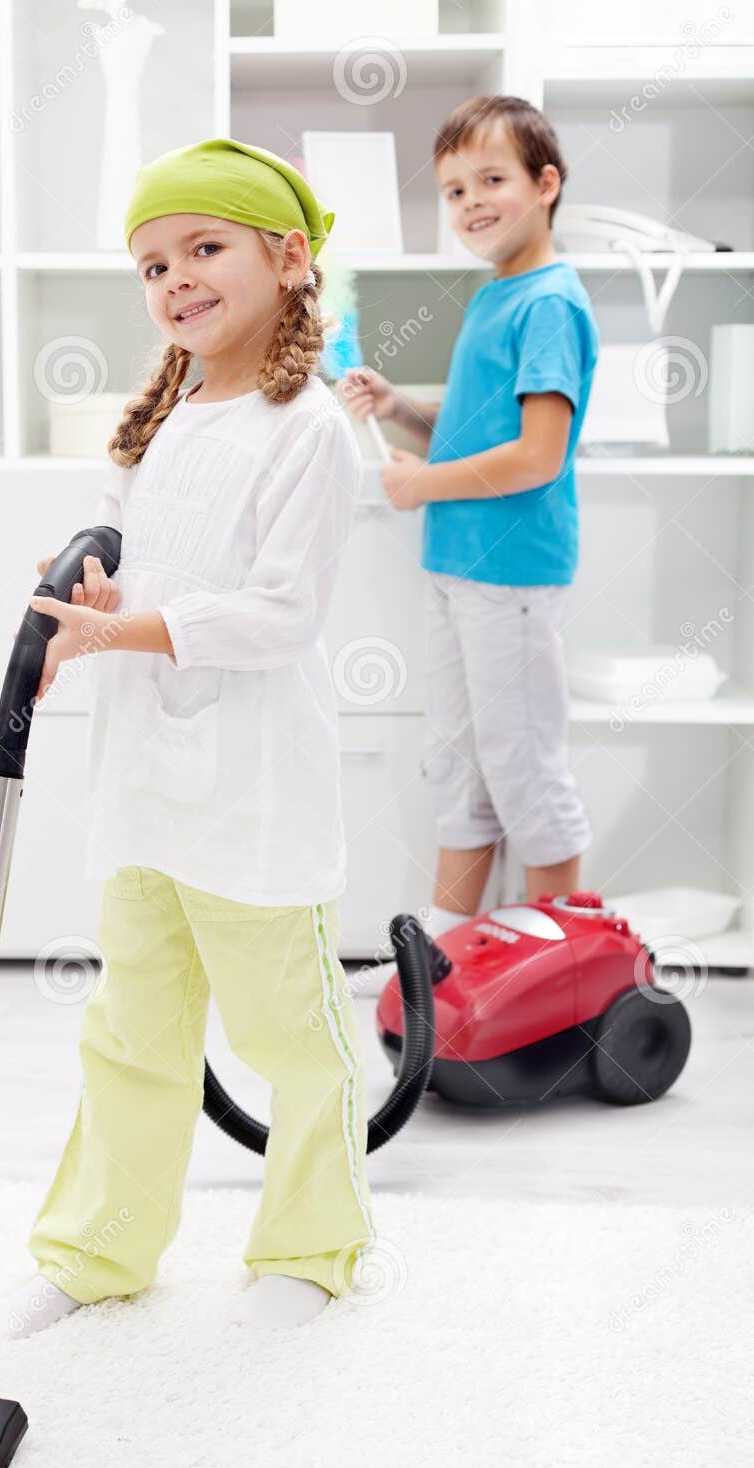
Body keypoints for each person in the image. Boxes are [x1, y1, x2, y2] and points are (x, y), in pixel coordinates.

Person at [0, 138, 370, 1336]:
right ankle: (98, 1248)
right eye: (153, 263)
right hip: (145, 776)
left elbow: (277, 613)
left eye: (203, 248)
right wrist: (92, 609)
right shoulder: (162, 418)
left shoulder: (305, 426)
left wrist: (131, 632)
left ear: (287, 257)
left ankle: (309, 1247)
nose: (175, 278)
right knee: (133, 1029)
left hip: (254, 785)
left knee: (287, 1033)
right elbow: (127, 559)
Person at [343, 95, 598, 937]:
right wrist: (399, 408)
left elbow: (536, 456)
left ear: (545, 184)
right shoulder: (496, 295)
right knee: (459, 766)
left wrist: (421, 487)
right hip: (457, 563)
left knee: (521, 767)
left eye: (492, 180)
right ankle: (447, 965)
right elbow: (475, 431)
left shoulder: (548, 303)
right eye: (453, 190)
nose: (471, 203)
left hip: (511, 570)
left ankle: (566, 971)